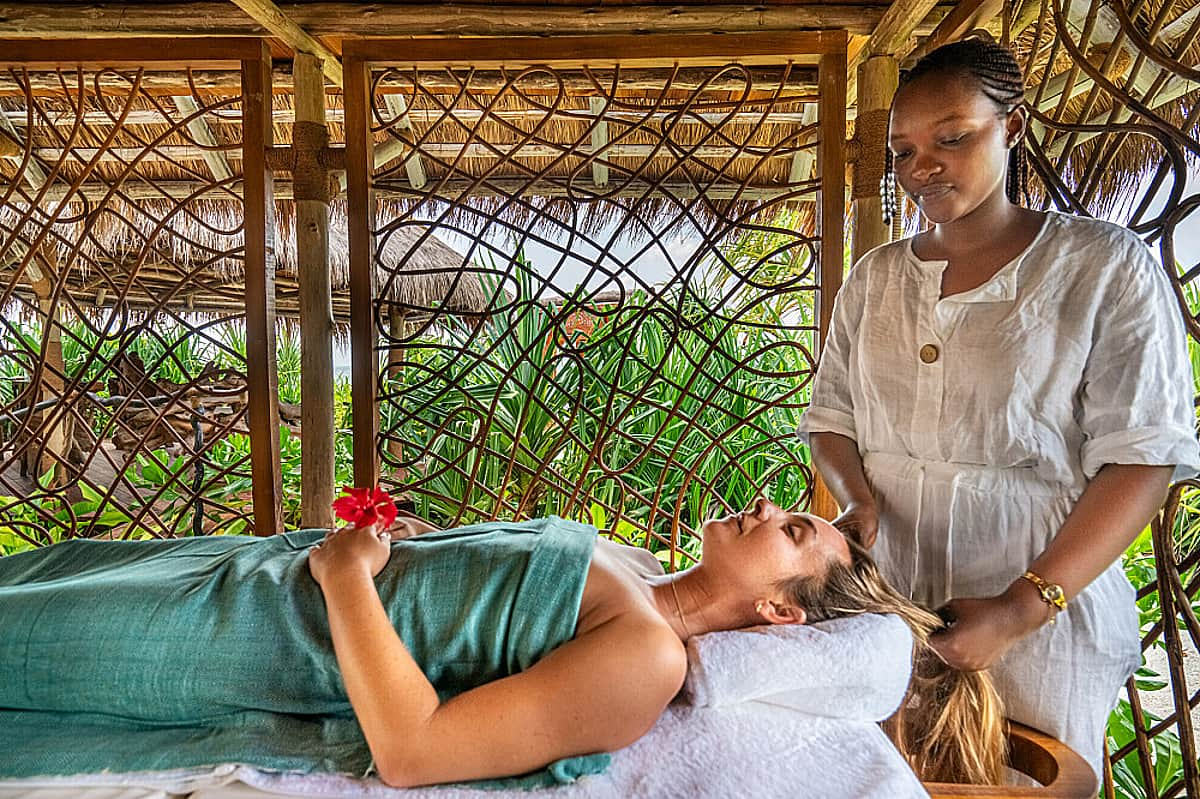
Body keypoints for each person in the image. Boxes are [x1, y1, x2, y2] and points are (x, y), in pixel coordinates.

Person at [798, 36, 1200, 785]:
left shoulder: (1102, 267)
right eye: (905, 149)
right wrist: (857, 498)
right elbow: (832, 418)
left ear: (1011, 129)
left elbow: (1142, 458)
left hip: (1041, 619)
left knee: (1020, 781)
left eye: (953, 138)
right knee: (883, 779)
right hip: (888, 604)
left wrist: (1020, 608)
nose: (923, 167)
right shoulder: (875, 278)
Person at [0, 500, 1003, 788]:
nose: (770, 505)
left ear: (783, 613)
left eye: (794, 532)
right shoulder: (632, 570)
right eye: (793, 506)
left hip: (241, 638)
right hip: (244, 573)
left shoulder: (646, 661)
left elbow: (415, 750)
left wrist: (349, 578)